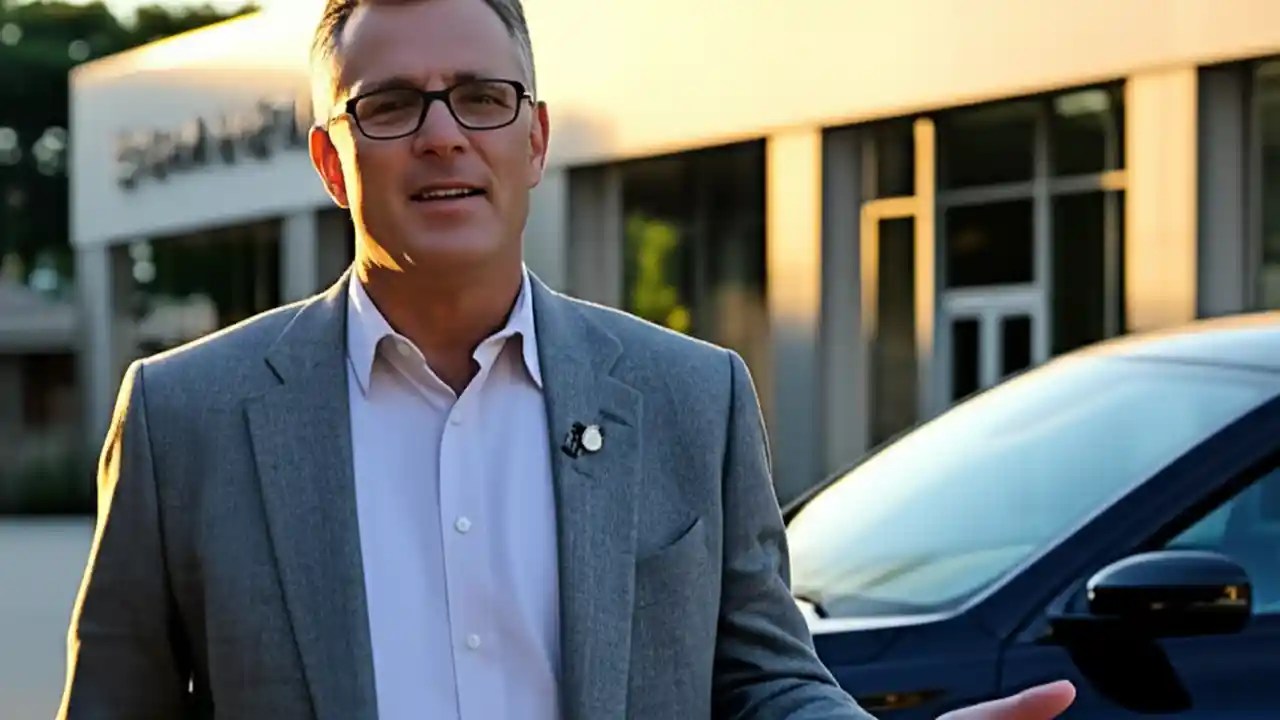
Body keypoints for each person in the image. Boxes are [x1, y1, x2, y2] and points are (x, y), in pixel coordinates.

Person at [58, 0, 1078, 718]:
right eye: (389, 105)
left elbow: (763, 681)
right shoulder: (184, 417)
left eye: (480, 97)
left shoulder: (690, 396)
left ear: (535, 141)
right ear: (331, 159)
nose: (443, 135)